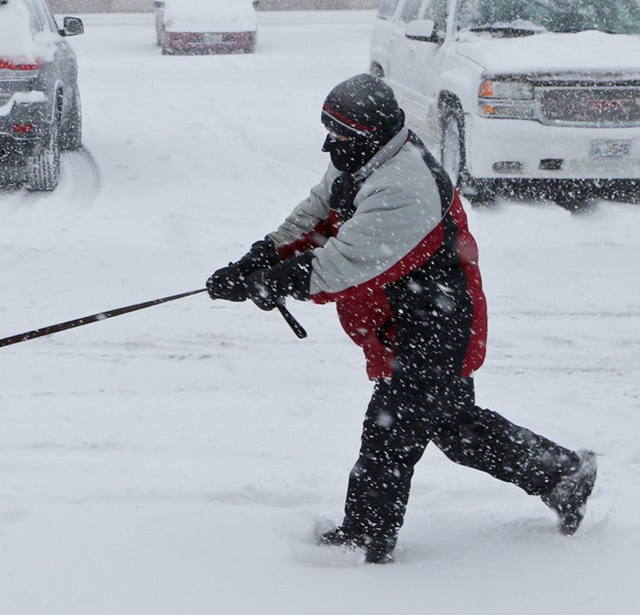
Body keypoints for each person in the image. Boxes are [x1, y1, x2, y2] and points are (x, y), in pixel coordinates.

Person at [205, 73, 597, 564]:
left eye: (340, 135)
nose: (330, 144)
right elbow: (316, 214)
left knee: (388, 435)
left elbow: (337, 266)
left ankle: (366, 538)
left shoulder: (406, 185)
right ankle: (561, 474)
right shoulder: (365, 159)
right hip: (406, 319)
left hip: (437, 326)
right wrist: (259, 257)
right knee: (453, 428)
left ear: (369, 135)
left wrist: (267, 283)